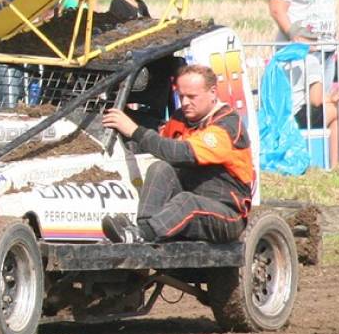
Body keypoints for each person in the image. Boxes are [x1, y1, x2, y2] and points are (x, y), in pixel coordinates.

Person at [99, 64, 253, 243]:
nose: (185, 103)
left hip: (227, 214)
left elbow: (181, 153)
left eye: (192, 96)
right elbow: (160, 146)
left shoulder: (227, 126)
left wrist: (134, 130)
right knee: (160, 168)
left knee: (187, 201)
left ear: (212, 92)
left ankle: (141, 234)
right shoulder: (180, 118)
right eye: (181, 96)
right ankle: (142, 230)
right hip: (187, 204)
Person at [265, 0, 339, 163]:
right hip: (301, 53)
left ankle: (329, 159)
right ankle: (302, 155)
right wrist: (294, 36)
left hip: (326, 48)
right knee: (309, 103)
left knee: (322, 99)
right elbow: (278, 9)